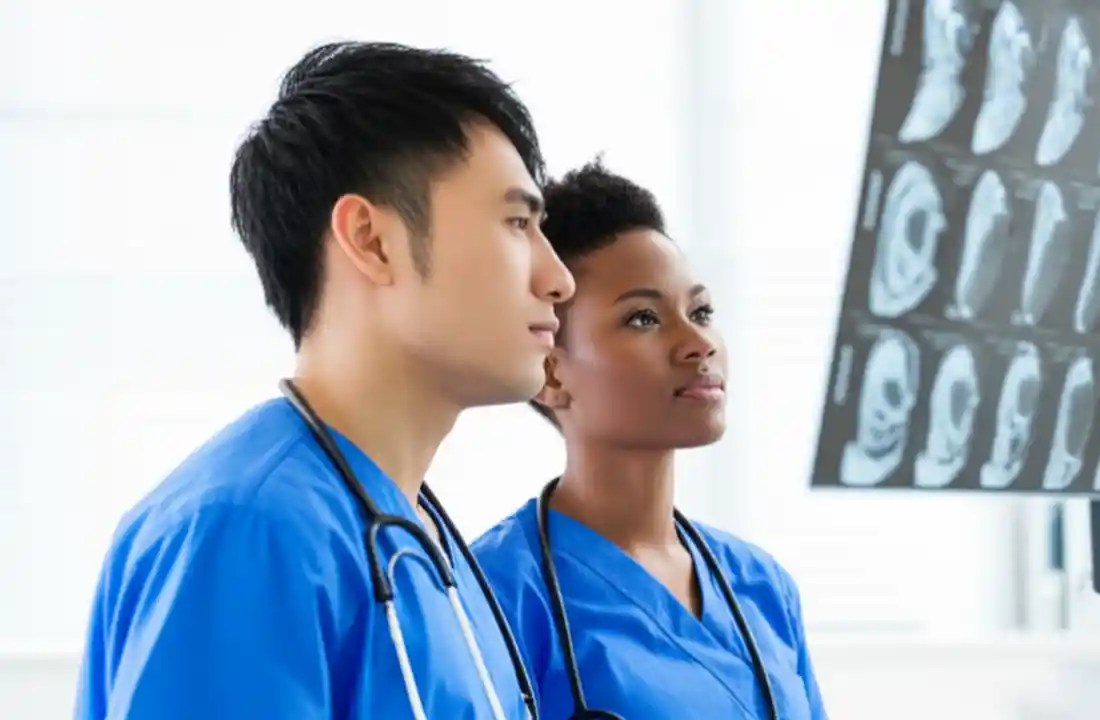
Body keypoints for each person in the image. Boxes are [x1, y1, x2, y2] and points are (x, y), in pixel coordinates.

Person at [74, 41, 574, 720]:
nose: (558, 279)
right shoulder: (246, 532)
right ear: (370, 240)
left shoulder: (424, 539)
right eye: (517, 223)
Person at [471, 161, 828, 719]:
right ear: (552, 373)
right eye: (643, 318)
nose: (697, 343)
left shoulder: (761, 586)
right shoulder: (495, 593)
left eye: (701, 311)